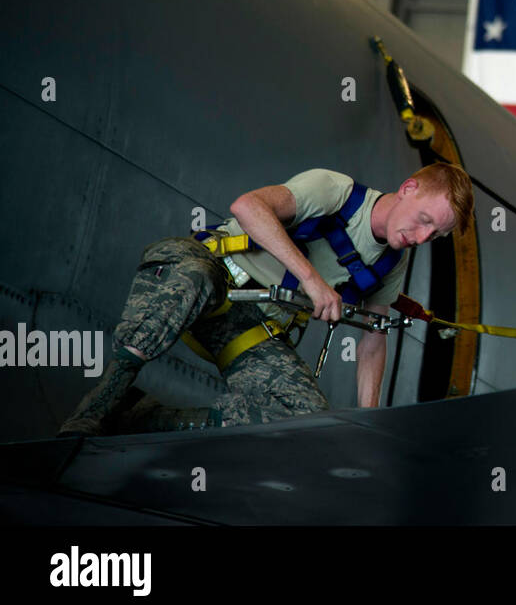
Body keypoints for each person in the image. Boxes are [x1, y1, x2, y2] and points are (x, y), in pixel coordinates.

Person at [58, 164, 474, 435]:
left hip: (250, 324)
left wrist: (369, 422)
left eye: (434, 235)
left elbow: (373, 339)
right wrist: (311, 279)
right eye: (424, 221)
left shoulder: (390, 263)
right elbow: (248, 205)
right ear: (408, 188)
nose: (421, 238)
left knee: (302, 423)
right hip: (213, 271)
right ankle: (95, 408)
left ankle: (134, 419)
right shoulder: (336, 192)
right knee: (191, 278)